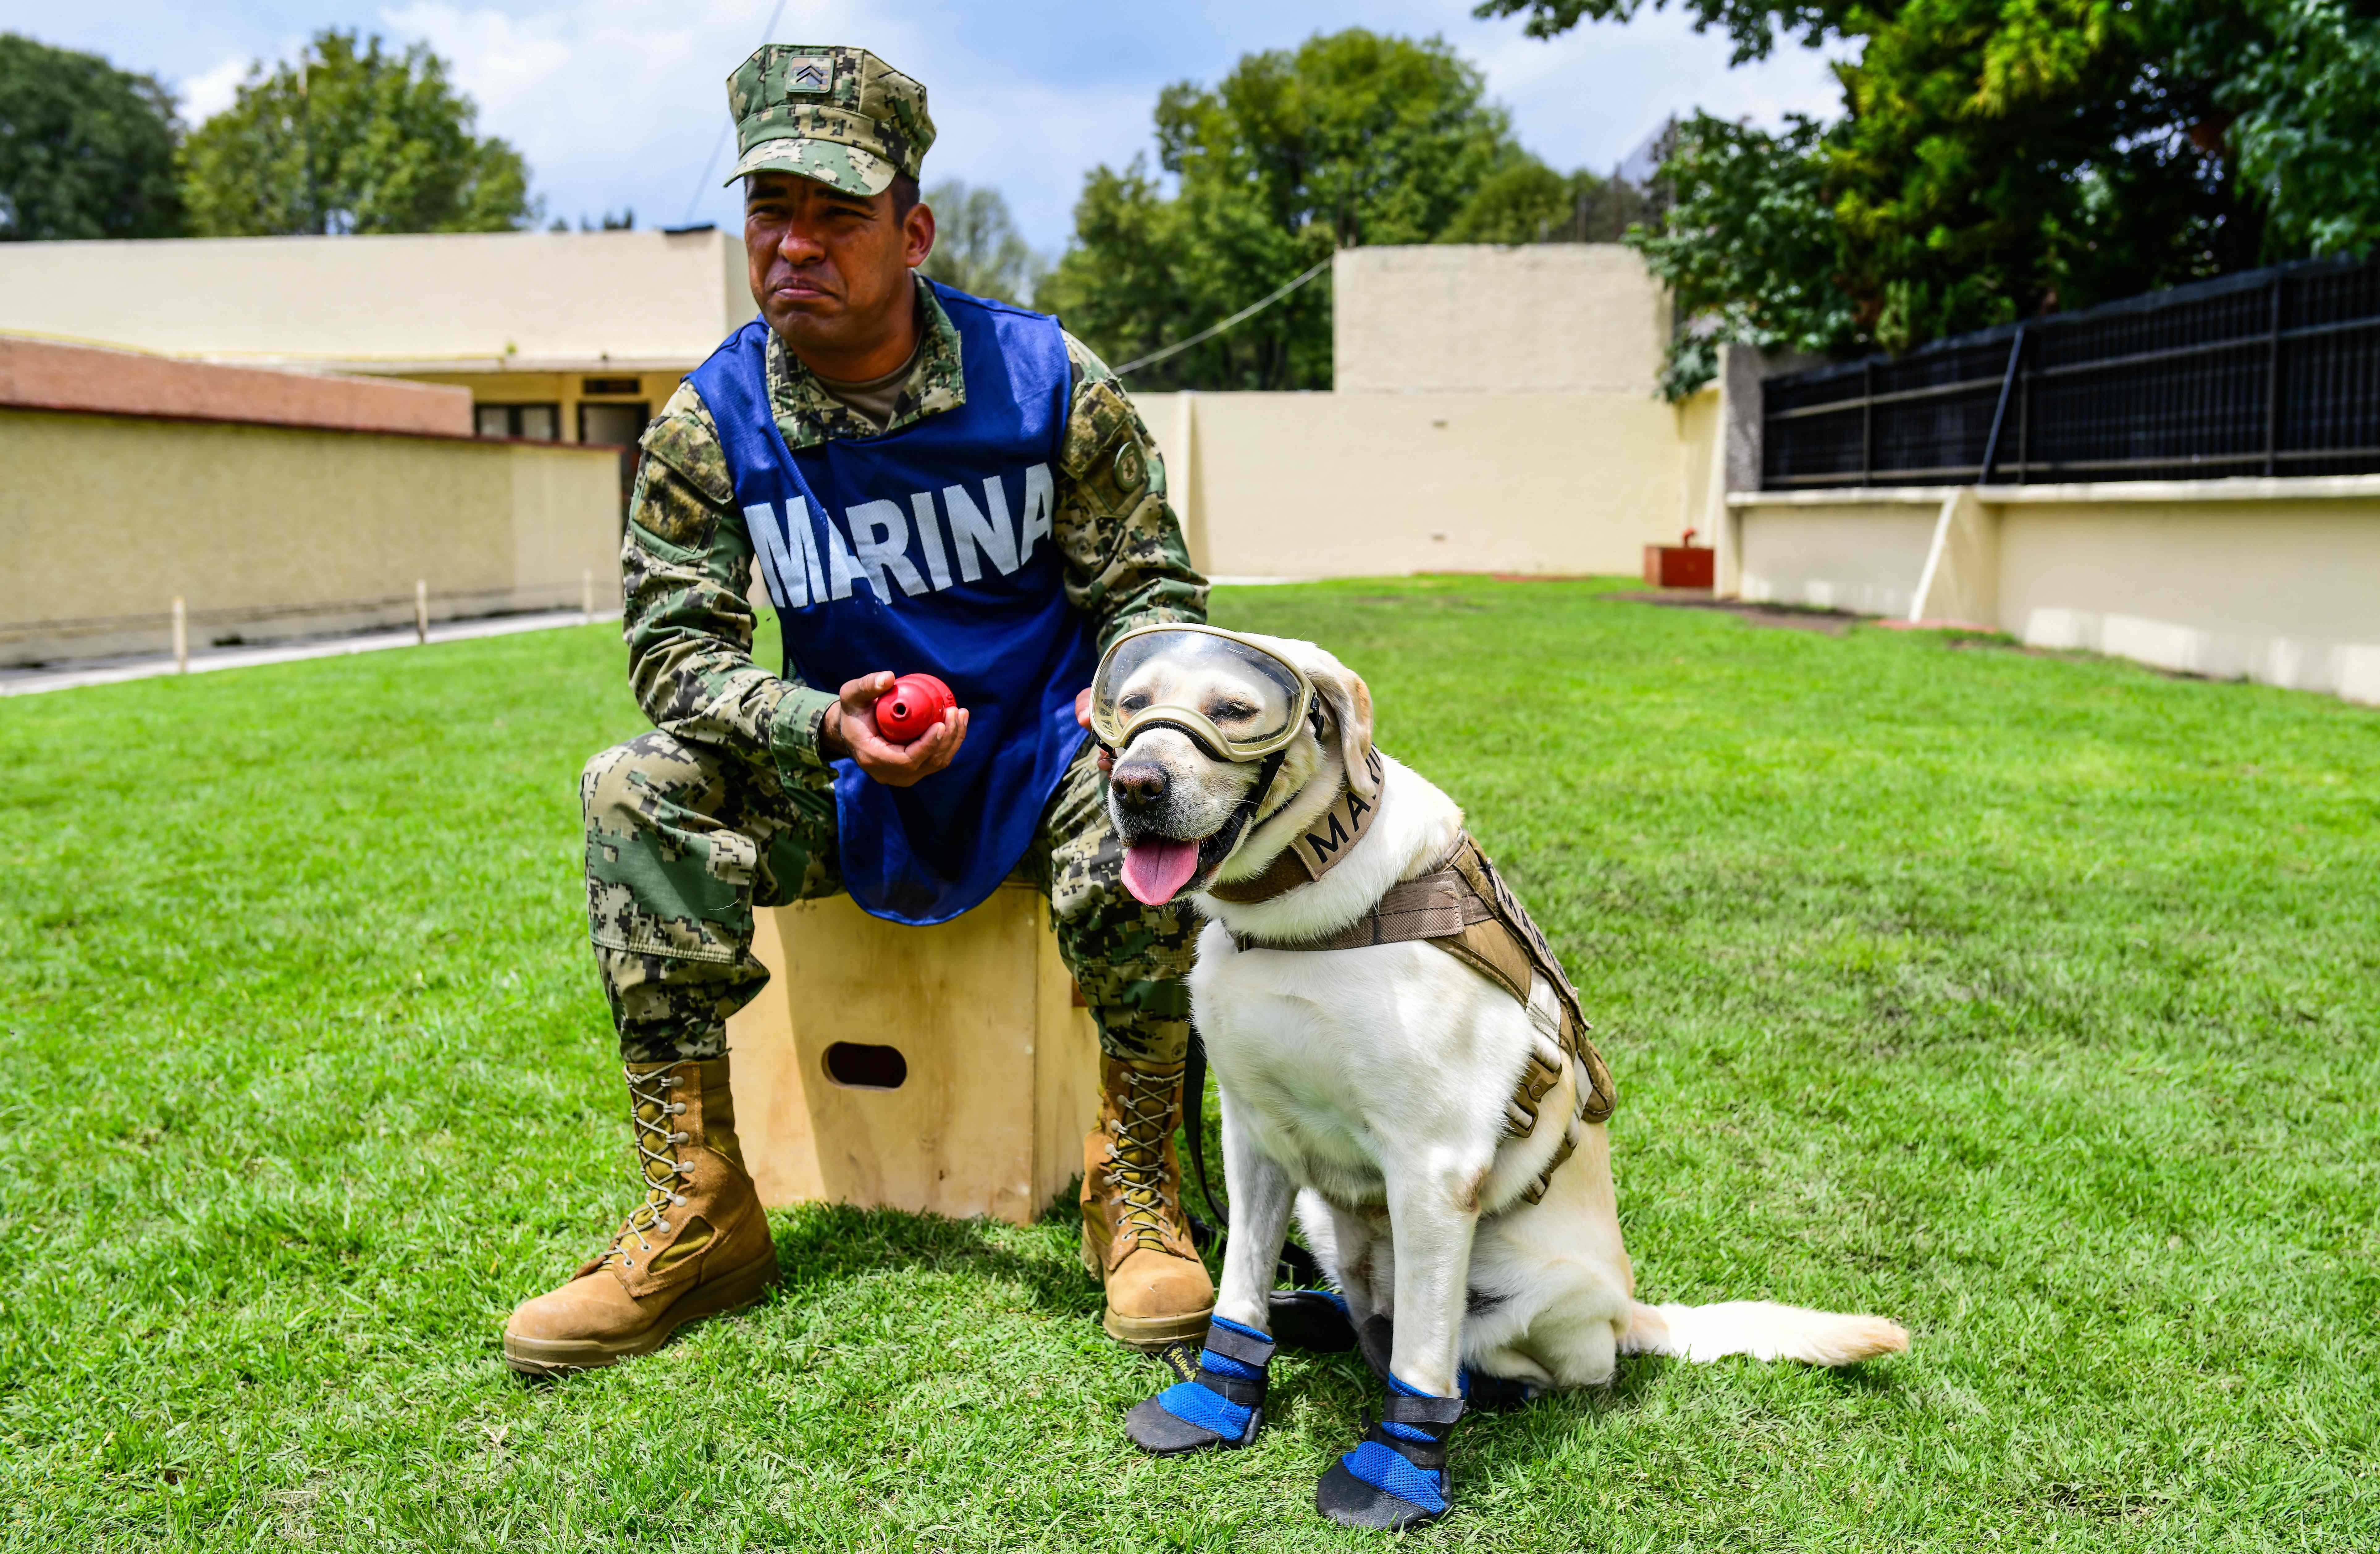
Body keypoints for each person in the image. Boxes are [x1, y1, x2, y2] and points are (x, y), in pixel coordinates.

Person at [502, 44, 1213, 1374]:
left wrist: (1133, 719)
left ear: (913, 230)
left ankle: (1139, 1184)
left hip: (1043, 750)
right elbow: (675, 653)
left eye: (837, 215)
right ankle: (703, 1209)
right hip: (840, 766)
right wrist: (828, 725)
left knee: (1150, 783)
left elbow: (1153, 592)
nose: (796, 246)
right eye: (772, 212)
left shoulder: (1045, 378)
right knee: (635, 784)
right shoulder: (712, 419)